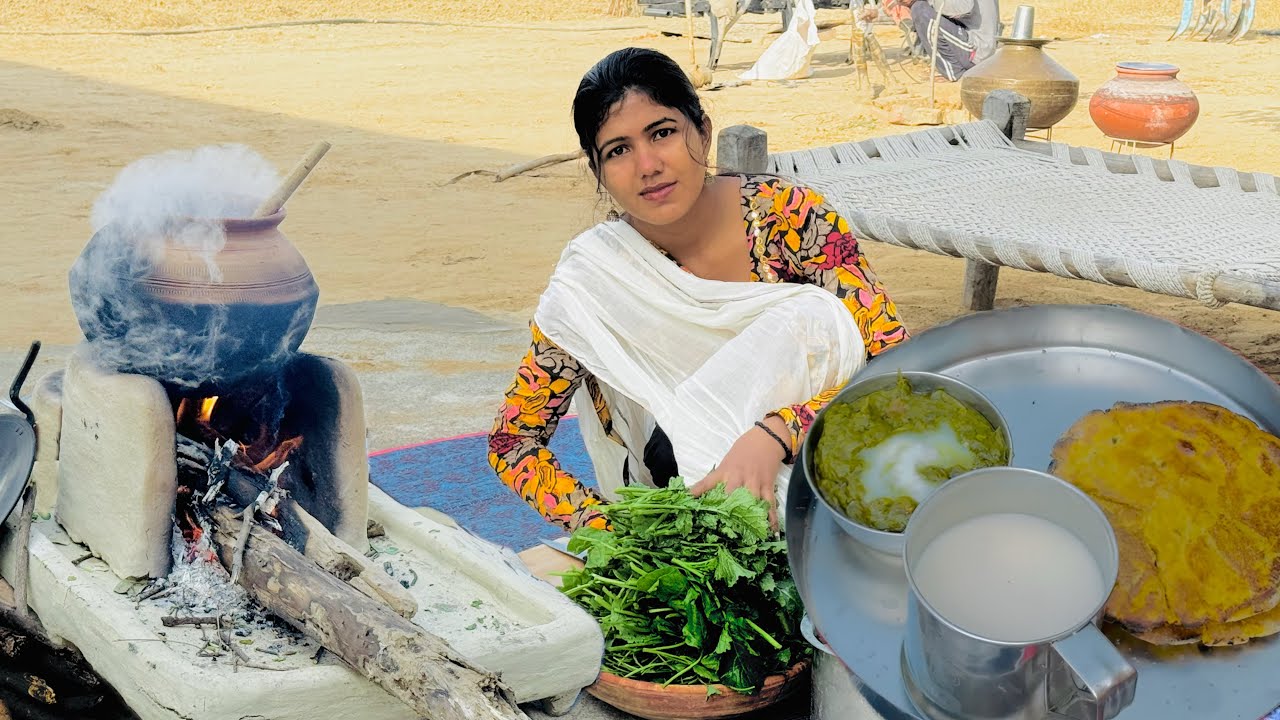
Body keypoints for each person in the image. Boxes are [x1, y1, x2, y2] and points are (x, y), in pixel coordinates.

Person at [486, 47, 908, 533]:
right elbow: (512, 442)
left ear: (703, 132)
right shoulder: (597, 281)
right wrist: (616, 533)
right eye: (618, 150)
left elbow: (897, 363)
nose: (648, 165)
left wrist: (778, 433)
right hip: (704, 506)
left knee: (809, 321)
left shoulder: (787, 217)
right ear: (597, 171)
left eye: (662, 133)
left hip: (849, 468)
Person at [897, 0, 1001, 81]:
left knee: (920, 9)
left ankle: (955, 73)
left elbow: (963, 8)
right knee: (921, 7)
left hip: (978, 50)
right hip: (984, 47)